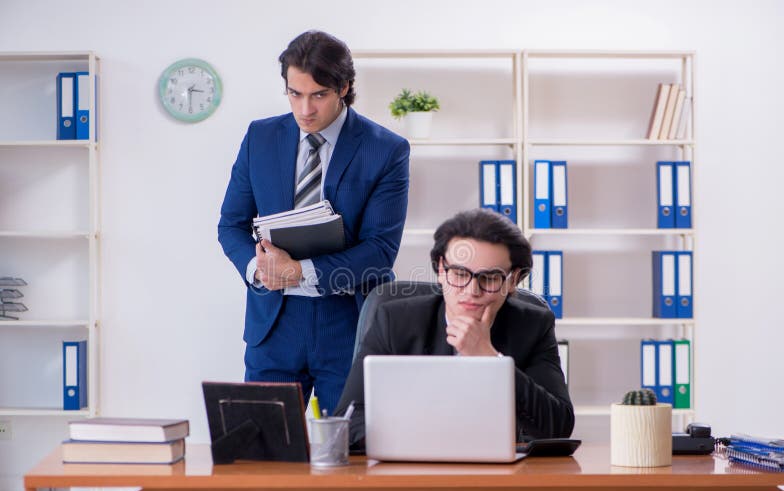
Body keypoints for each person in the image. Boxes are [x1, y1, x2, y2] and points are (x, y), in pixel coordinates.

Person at [218, 30, 410, 414]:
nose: (305, 109)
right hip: (273, 324)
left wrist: (299, 271)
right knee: (263, 453)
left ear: (344, 88)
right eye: (295, 93)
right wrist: (261, 269)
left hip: (347, 321)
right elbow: (231, 224)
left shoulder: (386, 149)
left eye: (318, 95)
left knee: (352, 457)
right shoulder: (261, 137)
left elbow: (380, 251)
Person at [335, 209, 574, 450]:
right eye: (460, 274)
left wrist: (490, 359)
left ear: (513, 280)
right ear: (441, 269)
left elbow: (557, 426)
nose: (472, 291)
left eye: (489, 278)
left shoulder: (533, 326)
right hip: (414, 469)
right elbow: (348, 422)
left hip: (499, 477)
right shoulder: (395, 321)